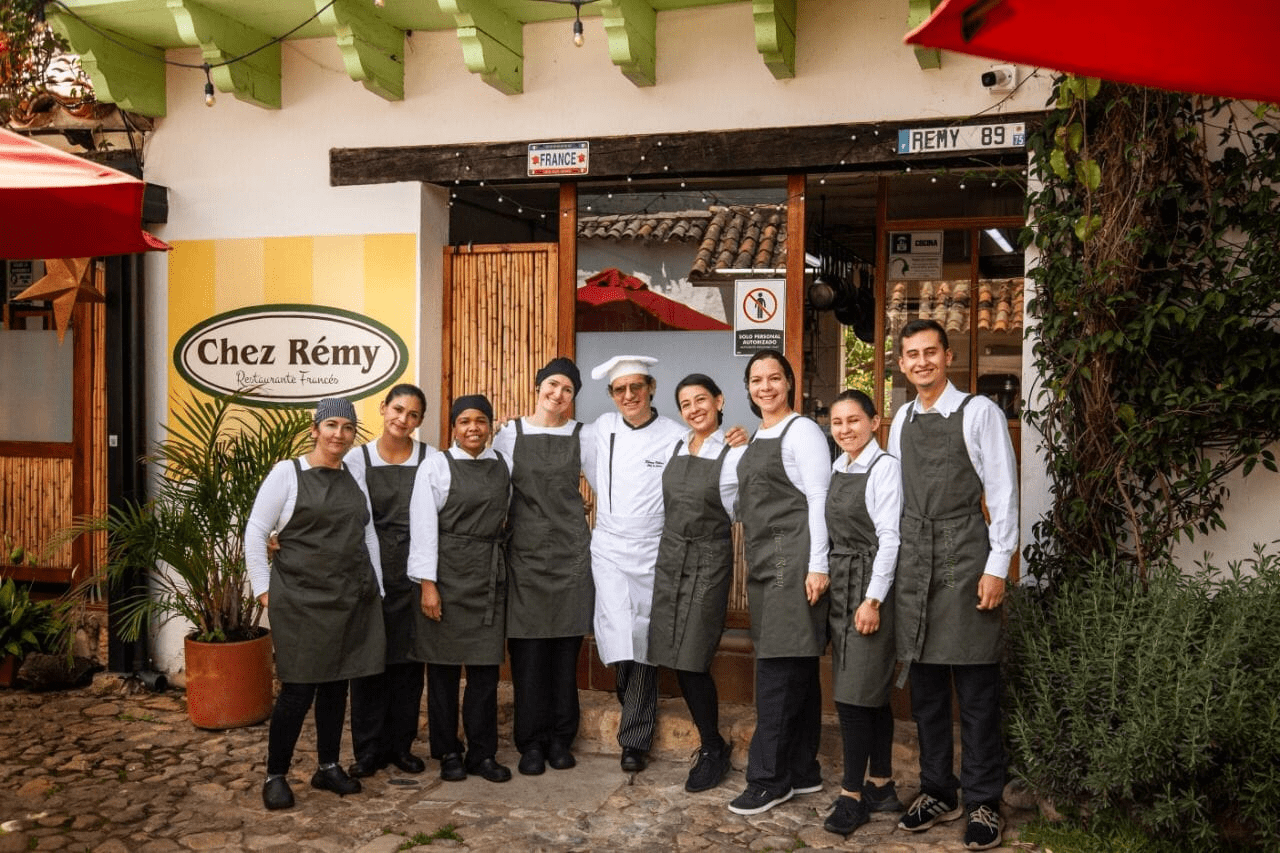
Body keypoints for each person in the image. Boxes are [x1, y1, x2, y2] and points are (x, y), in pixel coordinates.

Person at [888, 319, 1018, 851]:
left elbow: (1003, 489)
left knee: (977, 688)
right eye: (911, 355)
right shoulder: (899, 418)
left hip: (966, 555)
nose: (921, 362)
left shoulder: (978, 412)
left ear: (948, 356)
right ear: (901, 363)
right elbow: (893, 490)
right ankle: (939, 789)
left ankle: (985, 799)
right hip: (915, 560)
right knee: (927, 690)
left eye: (930, 352)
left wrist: (997, 564)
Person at [245, 397, 385, 811]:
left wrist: (376, 587)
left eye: (347, 427)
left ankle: (327, 766)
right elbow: (256, 531)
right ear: (315, 429)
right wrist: (262, 589)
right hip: (301, 600)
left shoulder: (355, 475)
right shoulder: (287, 474)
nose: (339, 434)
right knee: (298, 690)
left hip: (350, 597)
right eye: (332, 426)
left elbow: (369, 534)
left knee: (336, 686)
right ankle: (275, 775)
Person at [728, 349, 832, 816]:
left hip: (795, 561)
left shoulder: (802, 430)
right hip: (766, 562)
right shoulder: (756, 436)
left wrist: (818, 565)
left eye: (774, 377)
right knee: (800, 668)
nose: (765, 386)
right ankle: (802, 770)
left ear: (789, 382)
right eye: (756, 379)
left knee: (776, 671)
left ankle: (768, 778)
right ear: (748, 388)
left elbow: (819, 498)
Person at [491, 357, 596, 776]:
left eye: (568, 390)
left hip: (570, 558)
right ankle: (530, 743)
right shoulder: (508, 433)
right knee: (529, 655)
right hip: (526, 558)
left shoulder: (582, 436)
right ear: (537, 387)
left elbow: (607, 484)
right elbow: (490, 486)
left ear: (573, 399)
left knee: (563, 653)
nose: (558, 394)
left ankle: (559, 739)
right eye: (552, 385)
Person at [586, 354, 685, 773]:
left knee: (642, 638)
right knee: (616, 633)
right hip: (608, 546)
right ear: (611, 395)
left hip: (652, 548)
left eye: (636, 387)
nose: (629, 396)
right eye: (620, 390)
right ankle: (632, 711)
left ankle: (635, 737)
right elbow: (569, 460)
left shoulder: (675, 436)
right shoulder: (600, 431)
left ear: (651, 389)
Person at [407, 394, 512, 784]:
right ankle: (448, 751)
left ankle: (482, 755)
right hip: (447, 576)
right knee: (444, 675)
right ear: (453, 427)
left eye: (481, 421)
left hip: (487, 577)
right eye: (465, 421)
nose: (473, 428)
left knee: (485, 674)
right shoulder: (435, 466)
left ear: (490, 426)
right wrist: (428, 586)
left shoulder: (503, 463)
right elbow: (422, 529)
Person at [648, 374, 744, 793]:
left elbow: (744, 509)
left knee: (692, 655)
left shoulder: (737, 451)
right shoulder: (674, 445)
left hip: (708, 558)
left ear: (719, 400)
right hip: (672, 556)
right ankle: (712, 743)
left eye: (701, 399)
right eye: (685, 403)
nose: (693, 409)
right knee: (672, 652)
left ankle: (711, 746)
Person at [822, 389, 903, 837]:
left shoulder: (883, 468)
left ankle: (851, 796)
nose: (846, 429)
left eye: (854, 420)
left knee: (853, 697)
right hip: (843, 584)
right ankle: (882, 784)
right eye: (837, 422)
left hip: (872, 587)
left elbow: (890, 538)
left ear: (874, 422)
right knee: (870, 694)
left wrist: (872, 600)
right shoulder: (839, 467)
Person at [343, 384, 431, 778]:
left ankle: (401, 746)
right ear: (383, 408)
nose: (403, 420)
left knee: (409, 665)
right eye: (398, 410)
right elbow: (342, 514)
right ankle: (367, 751)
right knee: (368, 663)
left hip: (413, 572)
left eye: (413, 415)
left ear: (420, 422)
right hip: (370, 571)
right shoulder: (357, 459)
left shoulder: (431, 458)